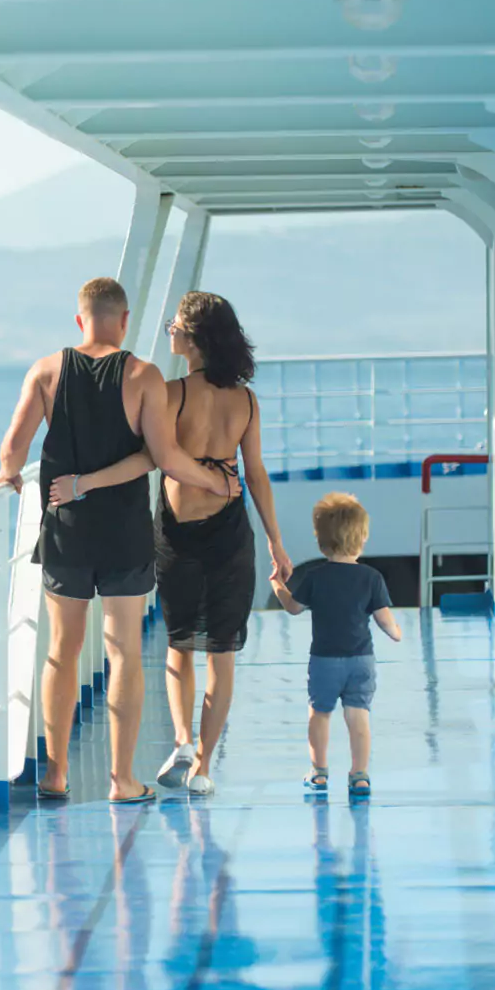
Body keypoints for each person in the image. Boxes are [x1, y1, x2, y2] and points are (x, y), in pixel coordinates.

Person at [0, 277, 236, 805]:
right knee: (123, 652)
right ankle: (122, 781)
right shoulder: (144, 376)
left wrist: (8, 474)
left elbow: (13, 449)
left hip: (66, 529)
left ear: (80, 320)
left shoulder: (46, 371)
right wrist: (216, 480)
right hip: (124, 534)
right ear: (124, 321)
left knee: (61, 650)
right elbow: (166, 458)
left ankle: (54, 774)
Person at [49, 292, 291, 797]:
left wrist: (84, 482)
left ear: (195, 337)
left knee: (179, 647)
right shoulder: (246, 400)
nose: (170, 333)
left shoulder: (173, 392)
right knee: (221, 653)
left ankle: (183, 740)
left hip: (178, 531)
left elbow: (149, 459)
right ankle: (201, 765)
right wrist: (276, 542)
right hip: (231, 530)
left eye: (175, 326)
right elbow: (257, 476)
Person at [270, 492, 402, 798]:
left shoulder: (315, 577)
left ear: (321, 541)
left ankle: (318, 772)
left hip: (324, 661)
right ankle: (359, 775)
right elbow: (384, 620)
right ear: (363, 537)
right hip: (361, 661)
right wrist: (396, 632)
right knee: (359, 718)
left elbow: (293, 608)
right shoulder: (372, 577)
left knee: (319, 714)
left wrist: (277, 583)